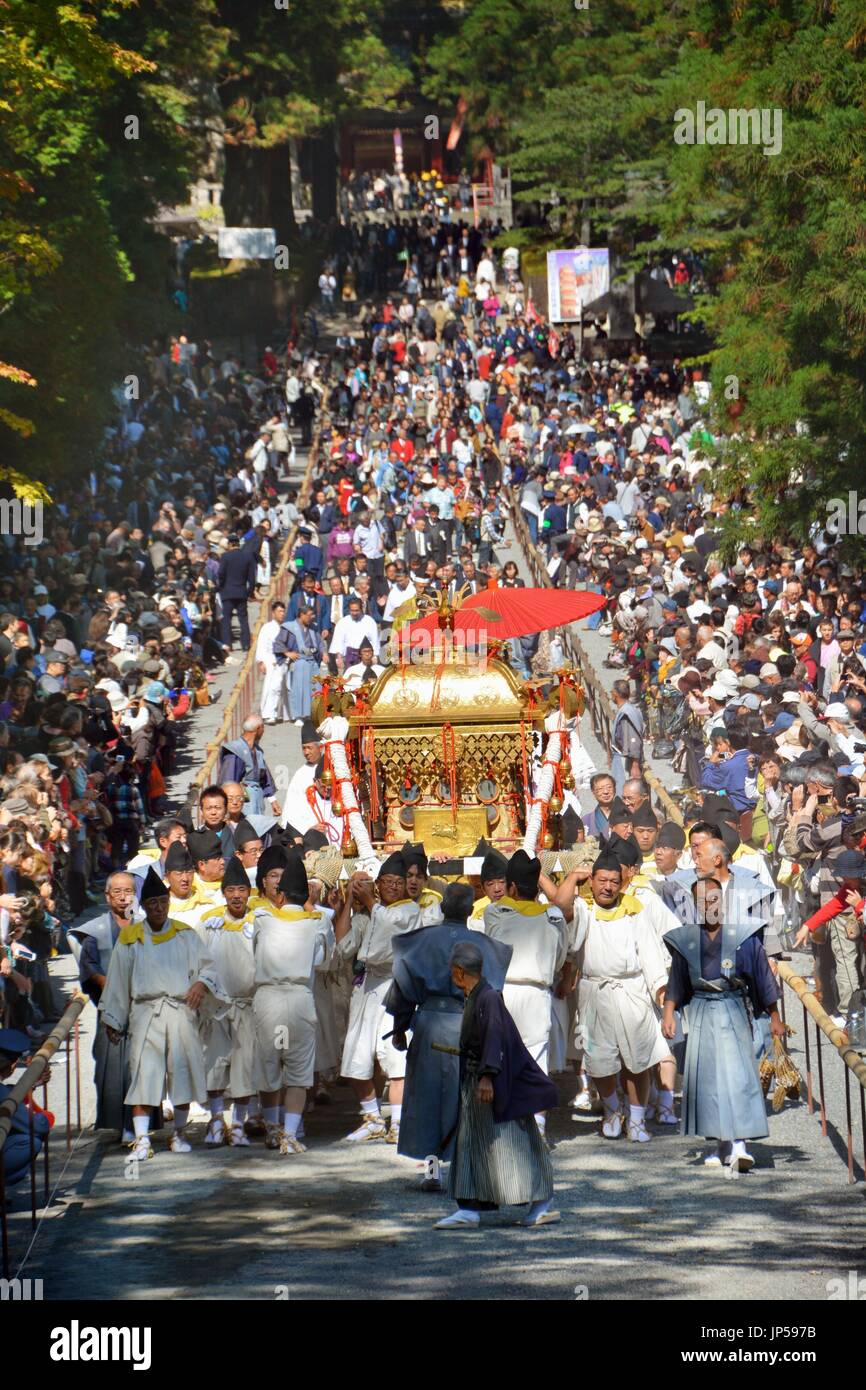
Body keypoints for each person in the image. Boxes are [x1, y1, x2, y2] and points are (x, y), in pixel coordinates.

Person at [386, 884, 512, 1186]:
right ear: (471, 910)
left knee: (427, 1095)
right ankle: (462, 1170)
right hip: (466, 1020)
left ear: (442, 908)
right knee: (463, 1096)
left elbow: (402, 988)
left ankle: (432, 1170)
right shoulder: (484, 945)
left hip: (429, 1021)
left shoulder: (421, 941)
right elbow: (493, 991)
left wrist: (400, 1027)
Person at [434, 939, 560, 1231]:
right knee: (471, 1144)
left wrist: (488, 1075)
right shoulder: (477, 995)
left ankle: (541, 1202)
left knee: (509, 1144)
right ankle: (468, 1208)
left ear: (458, 972)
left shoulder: (488, 997)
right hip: (475, 1081)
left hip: (489, 1083)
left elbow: (495, 1036)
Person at [99, 866, 222, 1161]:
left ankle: (178, 1134)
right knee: (144, 1073)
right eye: (152, 903)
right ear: (143, 906)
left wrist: (201, 985)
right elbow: (117, 980)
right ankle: (142, 1139)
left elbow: (209, 967)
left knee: (180, 1073)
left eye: (162, 902)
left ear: (168, 903)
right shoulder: (131, 938)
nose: (158, 908)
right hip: (146, 1012)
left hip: (180, 1010)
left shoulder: (185, 935)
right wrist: (114, 1018)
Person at [662, 877, 784, 1171]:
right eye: (702, 901)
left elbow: (762, 978)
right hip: (702, 1012)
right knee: (707, 1081)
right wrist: (669, 1012)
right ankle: (720, 1145)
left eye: (714, 899)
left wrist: (775, 1016)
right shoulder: (686, 939)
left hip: (732, 1009)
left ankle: (740, 1145)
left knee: (738, 1077)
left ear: (724, 902)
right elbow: (677, 981)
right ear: (694, 905)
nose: (709, 906)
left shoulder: (744, 936)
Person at [573, 850, 670, 1143]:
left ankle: (638, 1119)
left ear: (622, 881)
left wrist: (661, 992)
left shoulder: (635, 909)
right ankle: (613, 1110)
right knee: (598, 1059)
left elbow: (651, 953)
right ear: (591, 880)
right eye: (602, 880)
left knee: (637, 1060)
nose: (607, 887)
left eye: (614, 881)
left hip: (632, 992)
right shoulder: (582, 910)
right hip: (594, 993)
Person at [478, 849, 569, 1142]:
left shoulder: (496, 911)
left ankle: (506, 1125)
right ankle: (538, 1128)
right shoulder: (553, 915)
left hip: (503, 991)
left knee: (500, 1056)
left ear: (512, 887)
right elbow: (560, 956)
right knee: (536, 1057)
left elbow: (489, 947)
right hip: (537, 991)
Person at [334, 853, 422, 1145]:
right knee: (355, 1056)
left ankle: (397, 1122)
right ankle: (372, 1118)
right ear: (379, 884)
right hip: (366, 988)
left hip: (396, 989)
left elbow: (391, 927)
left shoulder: (409, 911)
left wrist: (371, 903)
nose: (394, 887)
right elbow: (344, 946)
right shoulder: (368, 914)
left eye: (399, 882)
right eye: (388, 882)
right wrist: (349, 900)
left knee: (396, 1059)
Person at [251, 853, 332, 1154]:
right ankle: (289, 1133)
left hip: (270, 997)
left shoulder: (263, 919)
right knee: (298, 1070)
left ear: (281, 894)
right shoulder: (317, 923)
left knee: (271, 1064)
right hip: (299, 999)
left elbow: (254, 951)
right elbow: (323, 962)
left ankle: (273, 1129)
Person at [68, 871, 144, 1141]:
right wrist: (114, 987)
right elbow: (90, 968)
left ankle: (138, 1124)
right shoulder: (96, 930)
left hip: (143, 1005)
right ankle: (119, 1123)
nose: (124, 897)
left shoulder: (145, 924)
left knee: (142, 1066)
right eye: (118, 892)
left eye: (129, 891)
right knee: (112, 1068)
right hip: (110, 1006)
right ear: (108, 896)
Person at [198, 856, 257, 1147]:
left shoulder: (258, 924)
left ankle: (238, 1125)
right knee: (215, 1065)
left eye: (242, 890)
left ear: (249, 892)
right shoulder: (209, 924)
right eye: (231, 889)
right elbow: (197, 963)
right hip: (216, 1007)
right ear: (224, 893)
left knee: (244, 1066)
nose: (236, 895)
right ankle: (216, 1122)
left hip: (248, 1005)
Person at [219, 716, 281, 817]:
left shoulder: (258, 751)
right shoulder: (235, 751)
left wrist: (273, 800)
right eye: (263, 728)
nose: (263, 731)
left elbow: (264, 777)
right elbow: (227, 782)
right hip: (241, 803)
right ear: (258, 729)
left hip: (257, 801)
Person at [273, 605, 323, 726]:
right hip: (299, 661)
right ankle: (299, 715)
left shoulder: (313, 627)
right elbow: (278, 643)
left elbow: (320, 642)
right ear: (301, 615)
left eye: (312, 615)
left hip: (312, 661)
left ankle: (313, 714)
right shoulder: (289, 627)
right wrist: (287, 653)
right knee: (299, 689)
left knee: (316, 688)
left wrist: (324, 653)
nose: (311, 618)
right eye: (309, 615)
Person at [217, 534, 257, 656]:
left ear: (229, 544)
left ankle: (227, 644)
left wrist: (221, 587)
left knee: (226, 619)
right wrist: (250, 592)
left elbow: (221, 574)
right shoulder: (247, 556)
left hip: (227, 592)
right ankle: (245, 644)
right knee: (243, 619)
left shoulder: (225, 557)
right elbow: (252, 577)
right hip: (241, 592)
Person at [256, 599, 290, 725]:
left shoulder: (287, 627)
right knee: (272, 687)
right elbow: (261, 645)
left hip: (284, 660)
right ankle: (269, 713)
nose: (282, 614)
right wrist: (261, 662)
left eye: (283, 611)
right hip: (270, 660)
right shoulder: (267, 628)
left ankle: (282, 713)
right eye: (279, 611)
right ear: (273, 613)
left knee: (283, 688)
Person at [611, 680, 645, 795]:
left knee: (624, 795)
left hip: (625, 760)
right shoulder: (631, 709)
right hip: (624, 758)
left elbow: (633, 739)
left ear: (615, 693)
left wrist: (635, 765)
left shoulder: (627, 713)